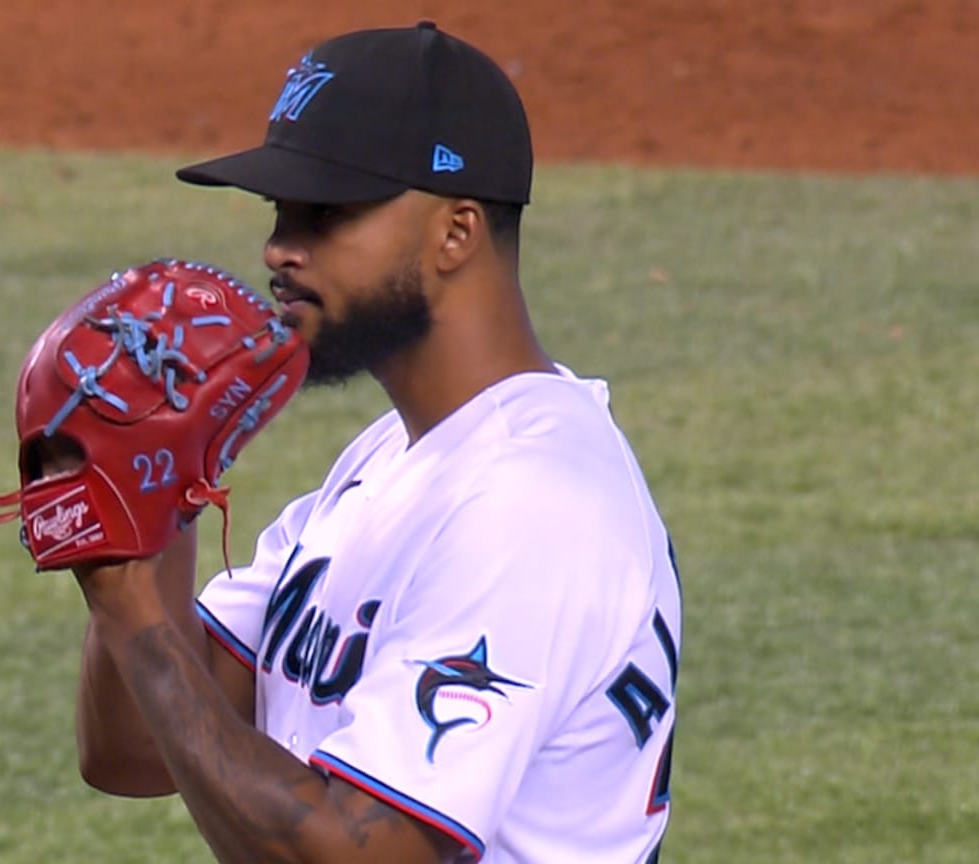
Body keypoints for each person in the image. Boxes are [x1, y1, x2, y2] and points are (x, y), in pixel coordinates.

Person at [67, 21, 682, 864]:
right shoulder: (387, 464)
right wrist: (148, 529)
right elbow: (134, 750)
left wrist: (136, 612)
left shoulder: (534, 506)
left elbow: (362, 854)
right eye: (282, 209)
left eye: (327, 213)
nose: (279, 247)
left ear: (455, 233)